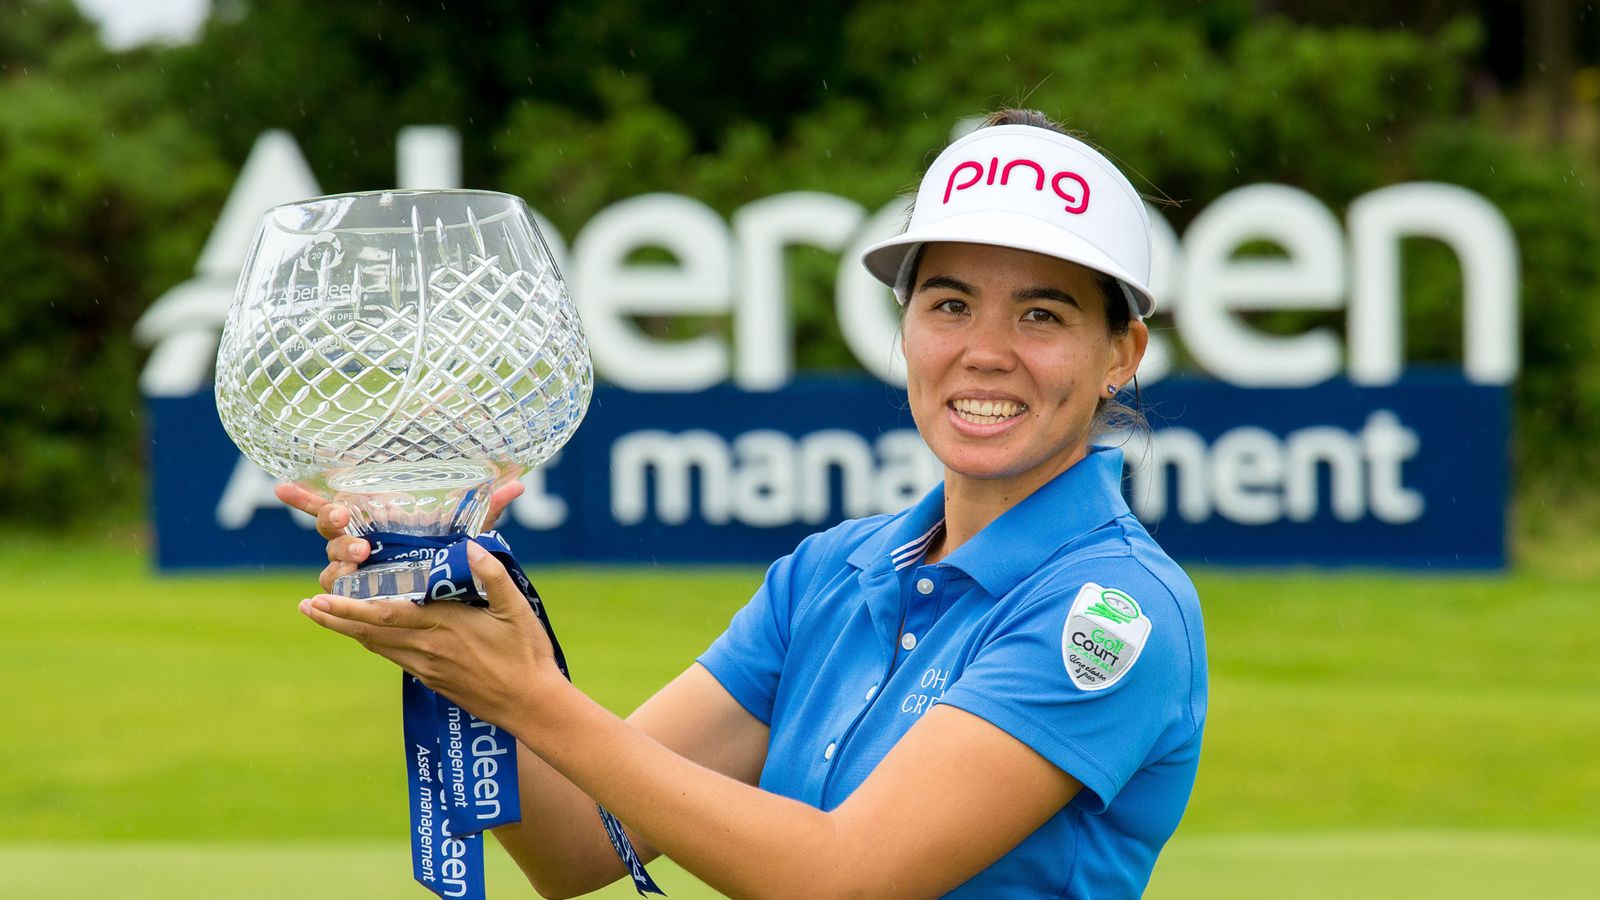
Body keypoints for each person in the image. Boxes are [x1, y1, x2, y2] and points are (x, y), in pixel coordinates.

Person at [282, 108, 1207, 898]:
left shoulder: (1112, 612)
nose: (987, 350)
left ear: (1121, 353)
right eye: (950, 304)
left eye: (1041, 315)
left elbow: (841, 878)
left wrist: (531, 692)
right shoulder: (828, 576)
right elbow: (579, 843)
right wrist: (441, 593)